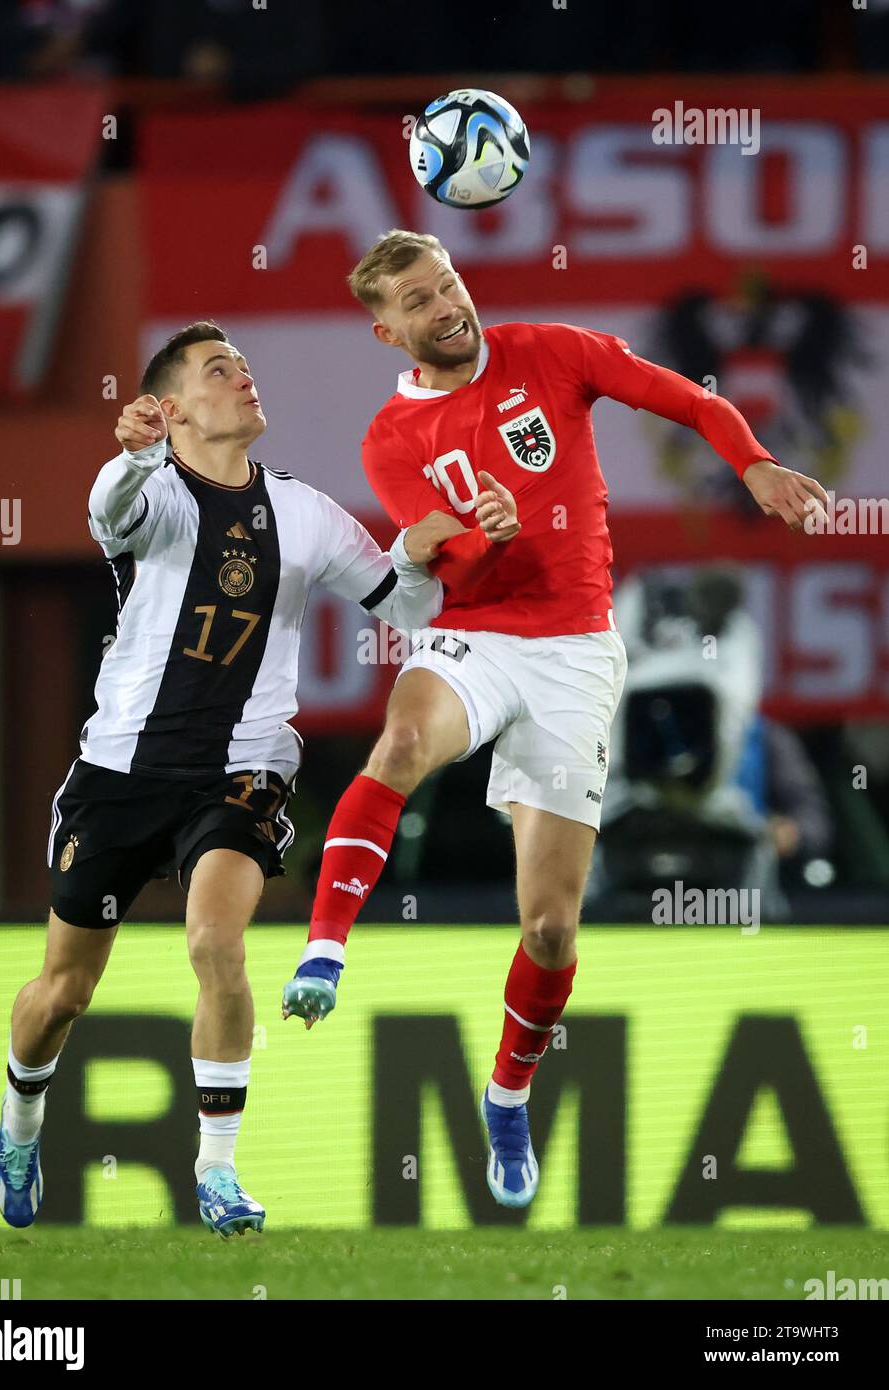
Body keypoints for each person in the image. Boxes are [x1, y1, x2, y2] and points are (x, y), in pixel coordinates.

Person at [282, 230, 829, 1210]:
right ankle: (324, 946)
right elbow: (439, 573)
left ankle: (505, 1095)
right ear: (384, 329)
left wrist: (752, 466)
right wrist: (474, 541)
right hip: (472, 635)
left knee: (546, 927)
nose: (444, 305)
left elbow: (685, 398)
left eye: (445, 282)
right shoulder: (390, 438)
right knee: (402, 741)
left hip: (576, 652)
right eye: (417, 300)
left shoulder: (553, 351)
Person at [0, 320, 466, 1238]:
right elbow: (109, 510)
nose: (244, 380)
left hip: (242, 766)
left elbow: (405, 607)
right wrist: (128, 456)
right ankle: (20, 1125)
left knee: (216, 940)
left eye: (244, 367)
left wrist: (416, 551)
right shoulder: (154, 495)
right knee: (62, 995)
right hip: (120, 771)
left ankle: (216, 1171)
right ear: (172, 410)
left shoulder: (305, 513)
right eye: (220, 371)